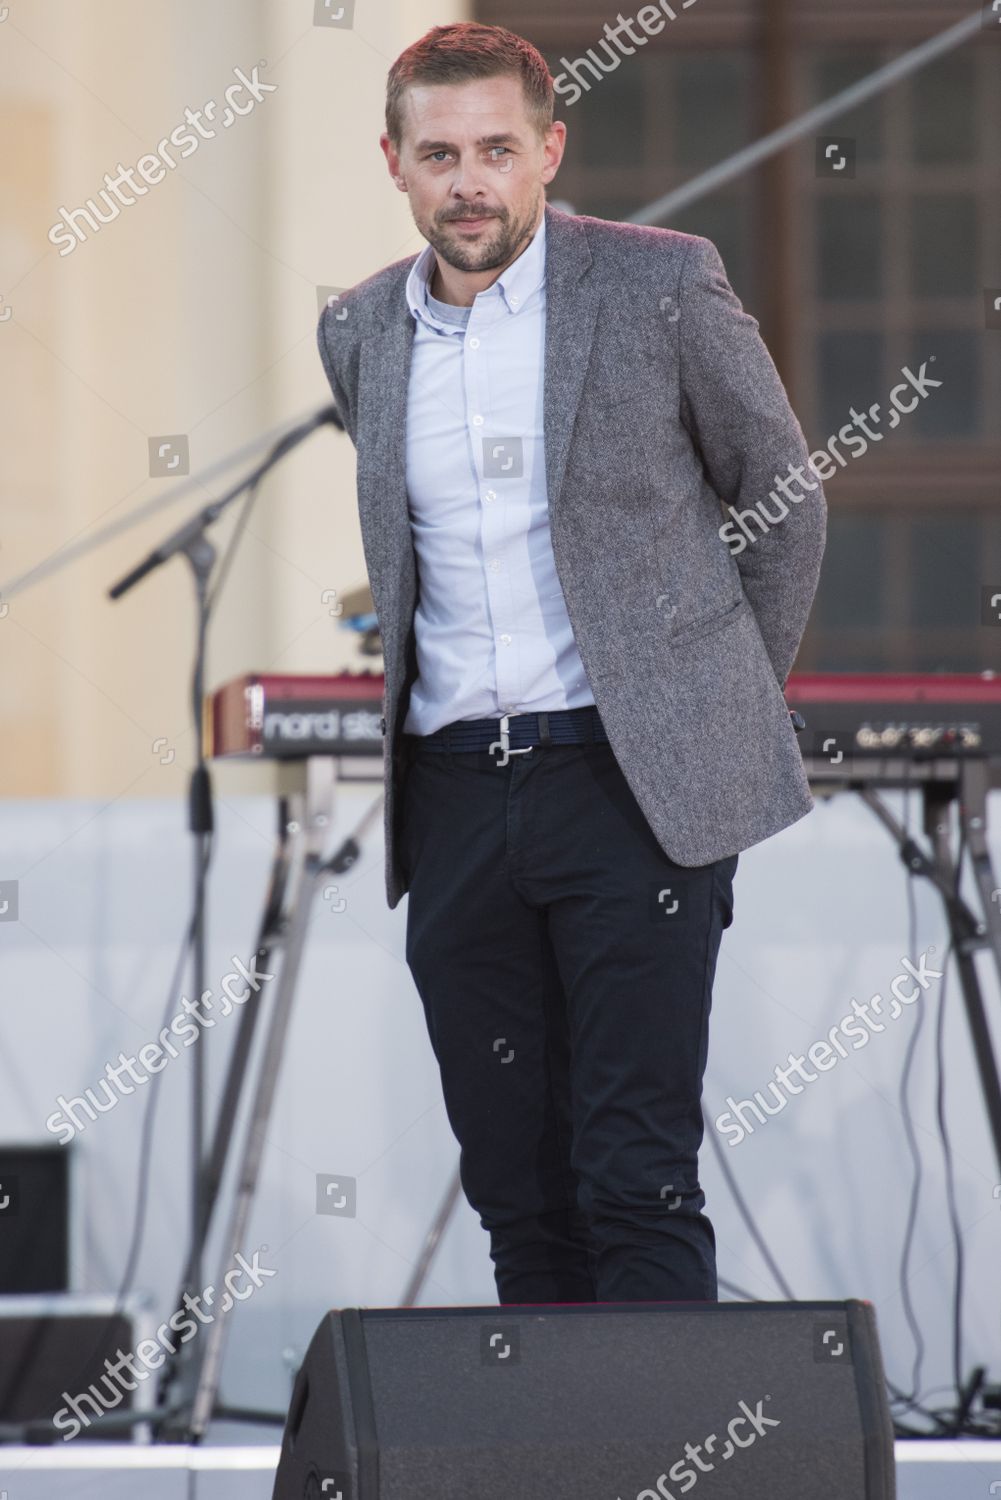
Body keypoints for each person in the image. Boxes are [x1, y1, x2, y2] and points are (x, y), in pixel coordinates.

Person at [317, 21, 826, 1306]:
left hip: (622, 785)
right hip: (450, 797)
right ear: (393, 163)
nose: (469, 180)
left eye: (496, 148)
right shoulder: (361, 331)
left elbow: (782, 499)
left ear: (550, 149)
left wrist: (699, 711)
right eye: (439, 154)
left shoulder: (658, 283)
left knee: (632, 1173)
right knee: (514, 1187)